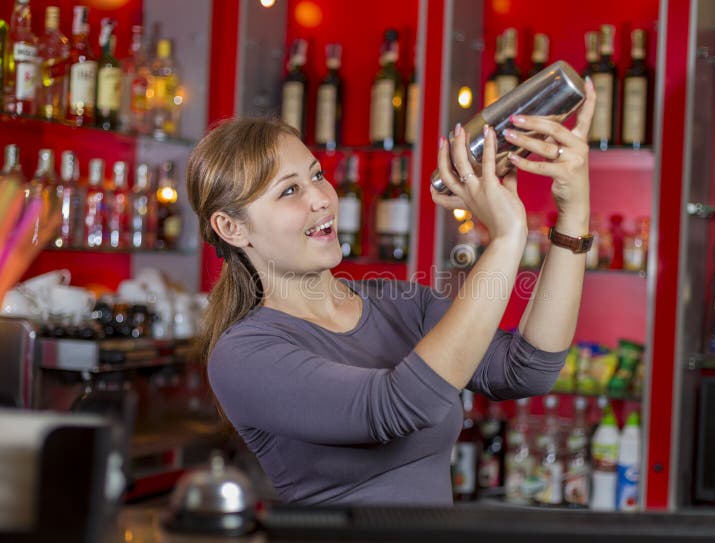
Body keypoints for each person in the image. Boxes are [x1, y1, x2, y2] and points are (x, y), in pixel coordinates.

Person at [185, 79, 596, 505]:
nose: (322, 199)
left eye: (317, 176)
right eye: (290, 190)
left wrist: (573, 212)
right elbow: (398, 406)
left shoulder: (398, 303)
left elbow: (526, 369)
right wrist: (507, 238)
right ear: (231, 228)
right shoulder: (244, 354)